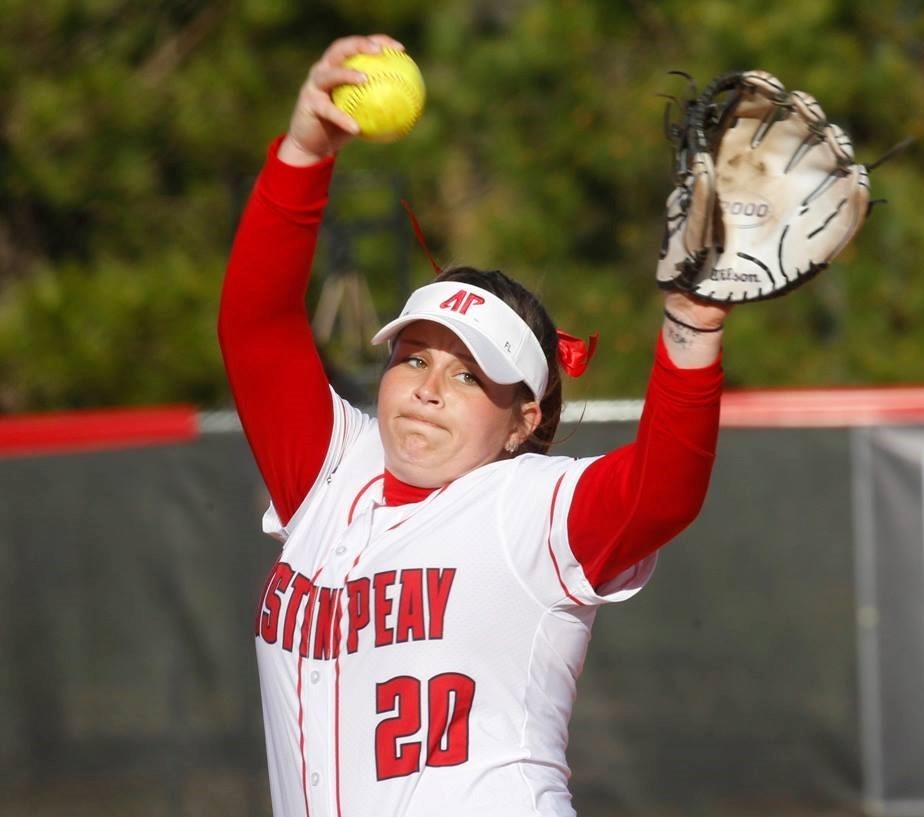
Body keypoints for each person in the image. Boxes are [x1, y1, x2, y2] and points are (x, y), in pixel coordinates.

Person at [219, 33, 729, 817]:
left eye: (467, 375)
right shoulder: (332, 475)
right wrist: (304, 148)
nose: (428, 388)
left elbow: (662, 491)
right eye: (414, 358)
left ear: (523, 420)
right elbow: (256, 328)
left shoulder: (528, 507)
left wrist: (691, 331)